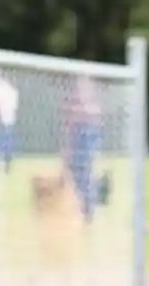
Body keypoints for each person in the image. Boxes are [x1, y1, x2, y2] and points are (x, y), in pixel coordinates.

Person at [62, 75, 102, 225]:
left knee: (86, 172)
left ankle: (88, 208)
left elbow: (93, 118)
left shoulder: (90, 106)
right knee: (75, 171)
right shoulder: (74, 103)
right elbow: (69, 124)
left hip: (86, 136)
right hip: (77, 136)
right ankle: (84, 205)